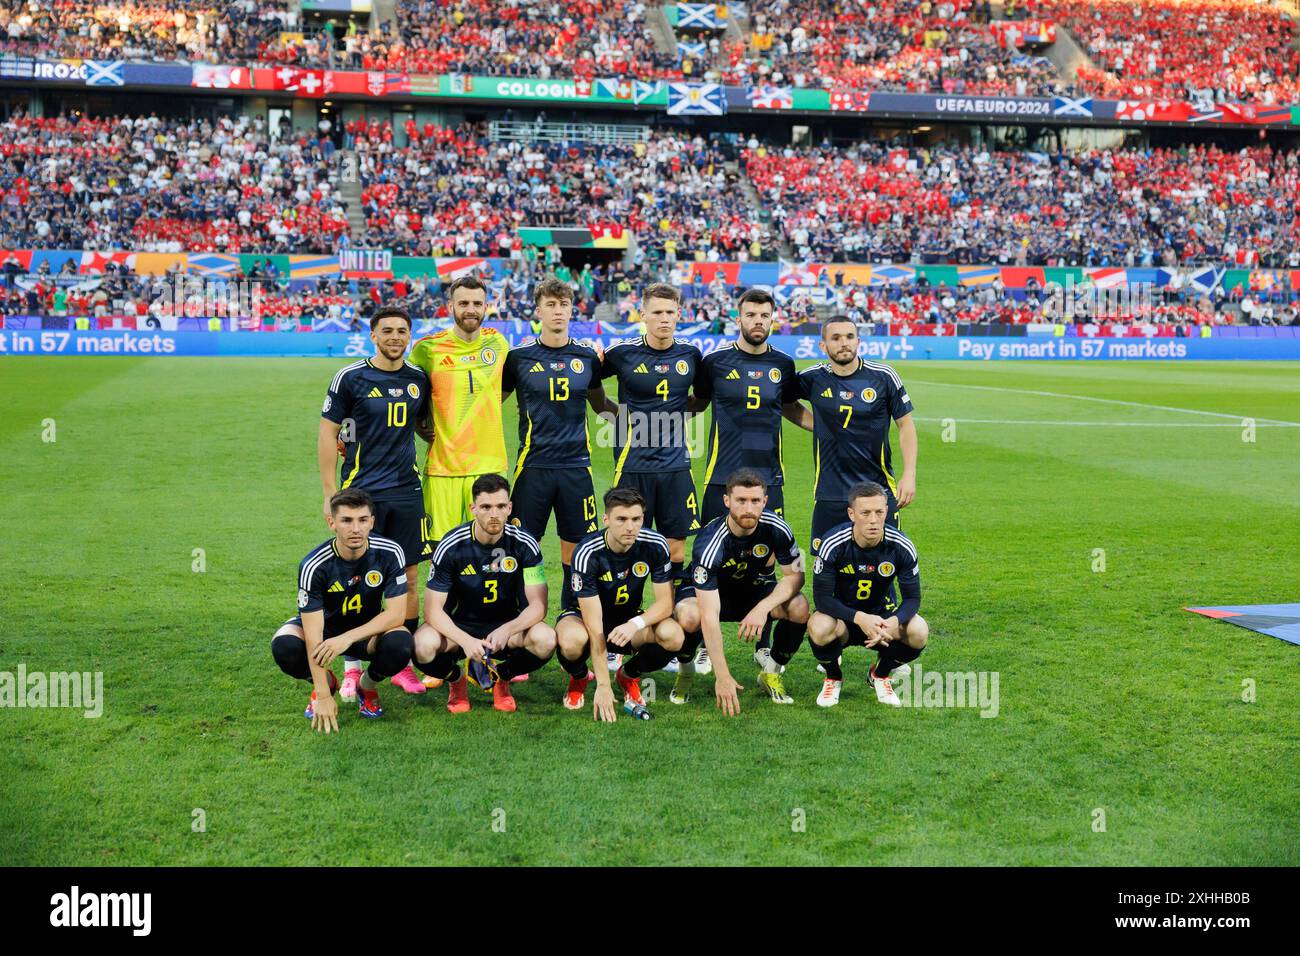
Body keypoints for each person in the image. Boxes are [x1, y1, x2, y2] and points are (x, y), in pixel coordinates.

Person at [686, 287, 802, 673]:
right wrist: (653, 419)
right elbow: (696, 404)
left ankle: (763, 646)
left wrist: (833, 430)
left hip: (769, 478)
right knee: (709, 560)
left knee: (767, 563)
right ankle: (704, 641)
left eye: (764, 316)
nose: (757, 322)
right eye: (750, 315)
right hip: (721, 478)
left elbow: (791, 408)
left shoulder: (784, 364)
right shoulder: (715, 362)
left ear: (773, 320)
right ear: (738, 318)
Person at [318, 305, 429, 699]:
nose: (396, 337)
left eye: (402, 331)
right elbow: (328, 434)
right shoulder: (351, 377)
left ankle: (403, 663)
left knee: (411, 577)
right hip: (362, 492)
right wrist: (331, 492)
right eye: (387, 331)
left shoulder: (419, 378)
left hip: (407, 492)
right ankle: (351, 666)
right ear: (373, 335)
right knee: (357, 579)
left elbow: (426, 426)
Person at [501, 276, 608, 614]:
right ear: (538, 310)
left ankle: (570, 619)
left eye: (563, 304)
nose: (558, 311)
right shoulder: (518, 358)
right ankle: (520, 622)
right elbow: (488, 405)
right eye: (551, 304)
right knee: (520, 548)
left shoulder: (587, 357)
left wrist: (648, 420)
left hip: (576, 468)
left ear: (572, 309)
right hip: (532, 468)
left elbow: (602, 405)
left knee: (576, 551)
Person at [271, 489, 415, 732]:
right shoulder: (314, 564)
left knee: (401, 643)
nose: (355, 529)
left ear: (372, 521)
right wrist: (324, 694)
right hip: (325, 631)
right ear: (332, 523)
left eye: (362, 520)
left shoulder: (390, 552)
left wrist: (346, 638)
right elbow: (314, 635)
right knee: (284, 646)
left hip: (365, 632)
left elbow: (396, 614)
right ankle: (328, 682)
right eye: (346, 521)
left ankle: (366, 686)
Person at [412, 475, 554, 714]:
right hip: (458, 629)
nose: (494, 514)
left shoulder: (526, 543)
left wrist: (507, 629)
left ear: (510, 508)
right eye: (486, 507)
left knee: (546, 639)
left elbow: (538, 605)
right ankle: (457, 680)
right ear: (473, 508)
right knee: (421, 645)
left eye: (500, 506)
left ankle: (502, 677)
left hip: (506, 629)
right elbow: (432, 610)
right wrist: (465, 640)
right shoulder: (452, 544)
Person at [672, 469, 808, 711]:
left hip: (752, 592)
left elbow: (796, 576)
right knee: (690, 616)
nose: (748, 508)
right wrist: (723, 677)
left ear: (765, 501)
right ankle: (685, 671)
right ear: (727, 501)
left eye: (755, 501)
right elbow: (709, 614)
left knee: (799, 606)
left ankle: (770, 673)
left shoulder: (779, 527)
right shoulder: (710, 542)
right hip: (709, 595)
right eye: (741, 501)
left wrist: (762, 608)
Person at [788, 316, 918, 556]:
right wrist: (818, 425)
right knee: (826, 567)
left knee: (883, 563)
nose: (843, 343)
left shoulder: (883, 376)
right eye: (835, 338)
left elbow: (906, 425)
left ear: (858, 341)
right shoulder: (812, 378)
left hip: (877, 490)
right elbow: (786, 402)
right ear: (823, 346)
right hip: (830, 492)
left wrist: (909, 474)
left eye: (849, 337)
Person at [553, 488, 683, 722]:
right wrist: (603, 685)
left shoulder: (655, 543)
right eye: (621, 519)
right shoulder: (587, 552)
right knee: (572, 641)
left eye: (636, 519)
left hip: (627, 619)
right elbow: (594, 627)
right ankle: (580, 676)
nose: (630, 527)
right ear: (606, 520)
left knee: (673, 635)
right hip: (583, 619)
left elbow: (665, 604)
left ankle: (628, 675)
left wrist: (635, 623)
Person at [807, 482, 929, 708]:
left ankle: (880, 675)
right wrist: (860, 618)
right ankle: (833, 677)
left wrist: (893, 621)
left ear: (887, 512)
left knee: (919, 630)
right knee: (818, 625)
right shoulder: (833, 543)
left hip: (883, 622)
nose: (873, 520)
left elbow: (912, 599)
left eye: (879, 512)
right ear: (852, 514)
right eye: (865, 513)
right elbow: (822, 599)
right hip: (843, 620)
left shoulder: (901, 545)